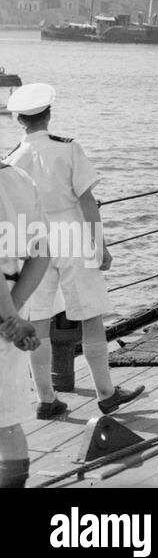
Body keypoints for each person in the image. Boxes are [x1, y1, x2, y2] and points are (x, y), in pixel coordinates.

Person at [4, 83, 144, 417]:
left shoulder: (12, 159)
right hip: (72, 237)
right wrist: (100, 244)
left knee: (38, 319)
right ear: (49, 114)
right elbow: (87, 201)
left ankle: (46, 399)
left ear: (19, 120)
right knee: (90, 316)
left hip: (34, 242)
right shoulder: (68, 149)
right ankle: (106, 393)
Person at [1, 157, 50, 490]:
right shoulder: (19, 179)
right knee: (6, 419)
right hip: (14, 296)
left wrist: (9, 319)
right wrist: (14, 316)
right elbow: (42, 253)